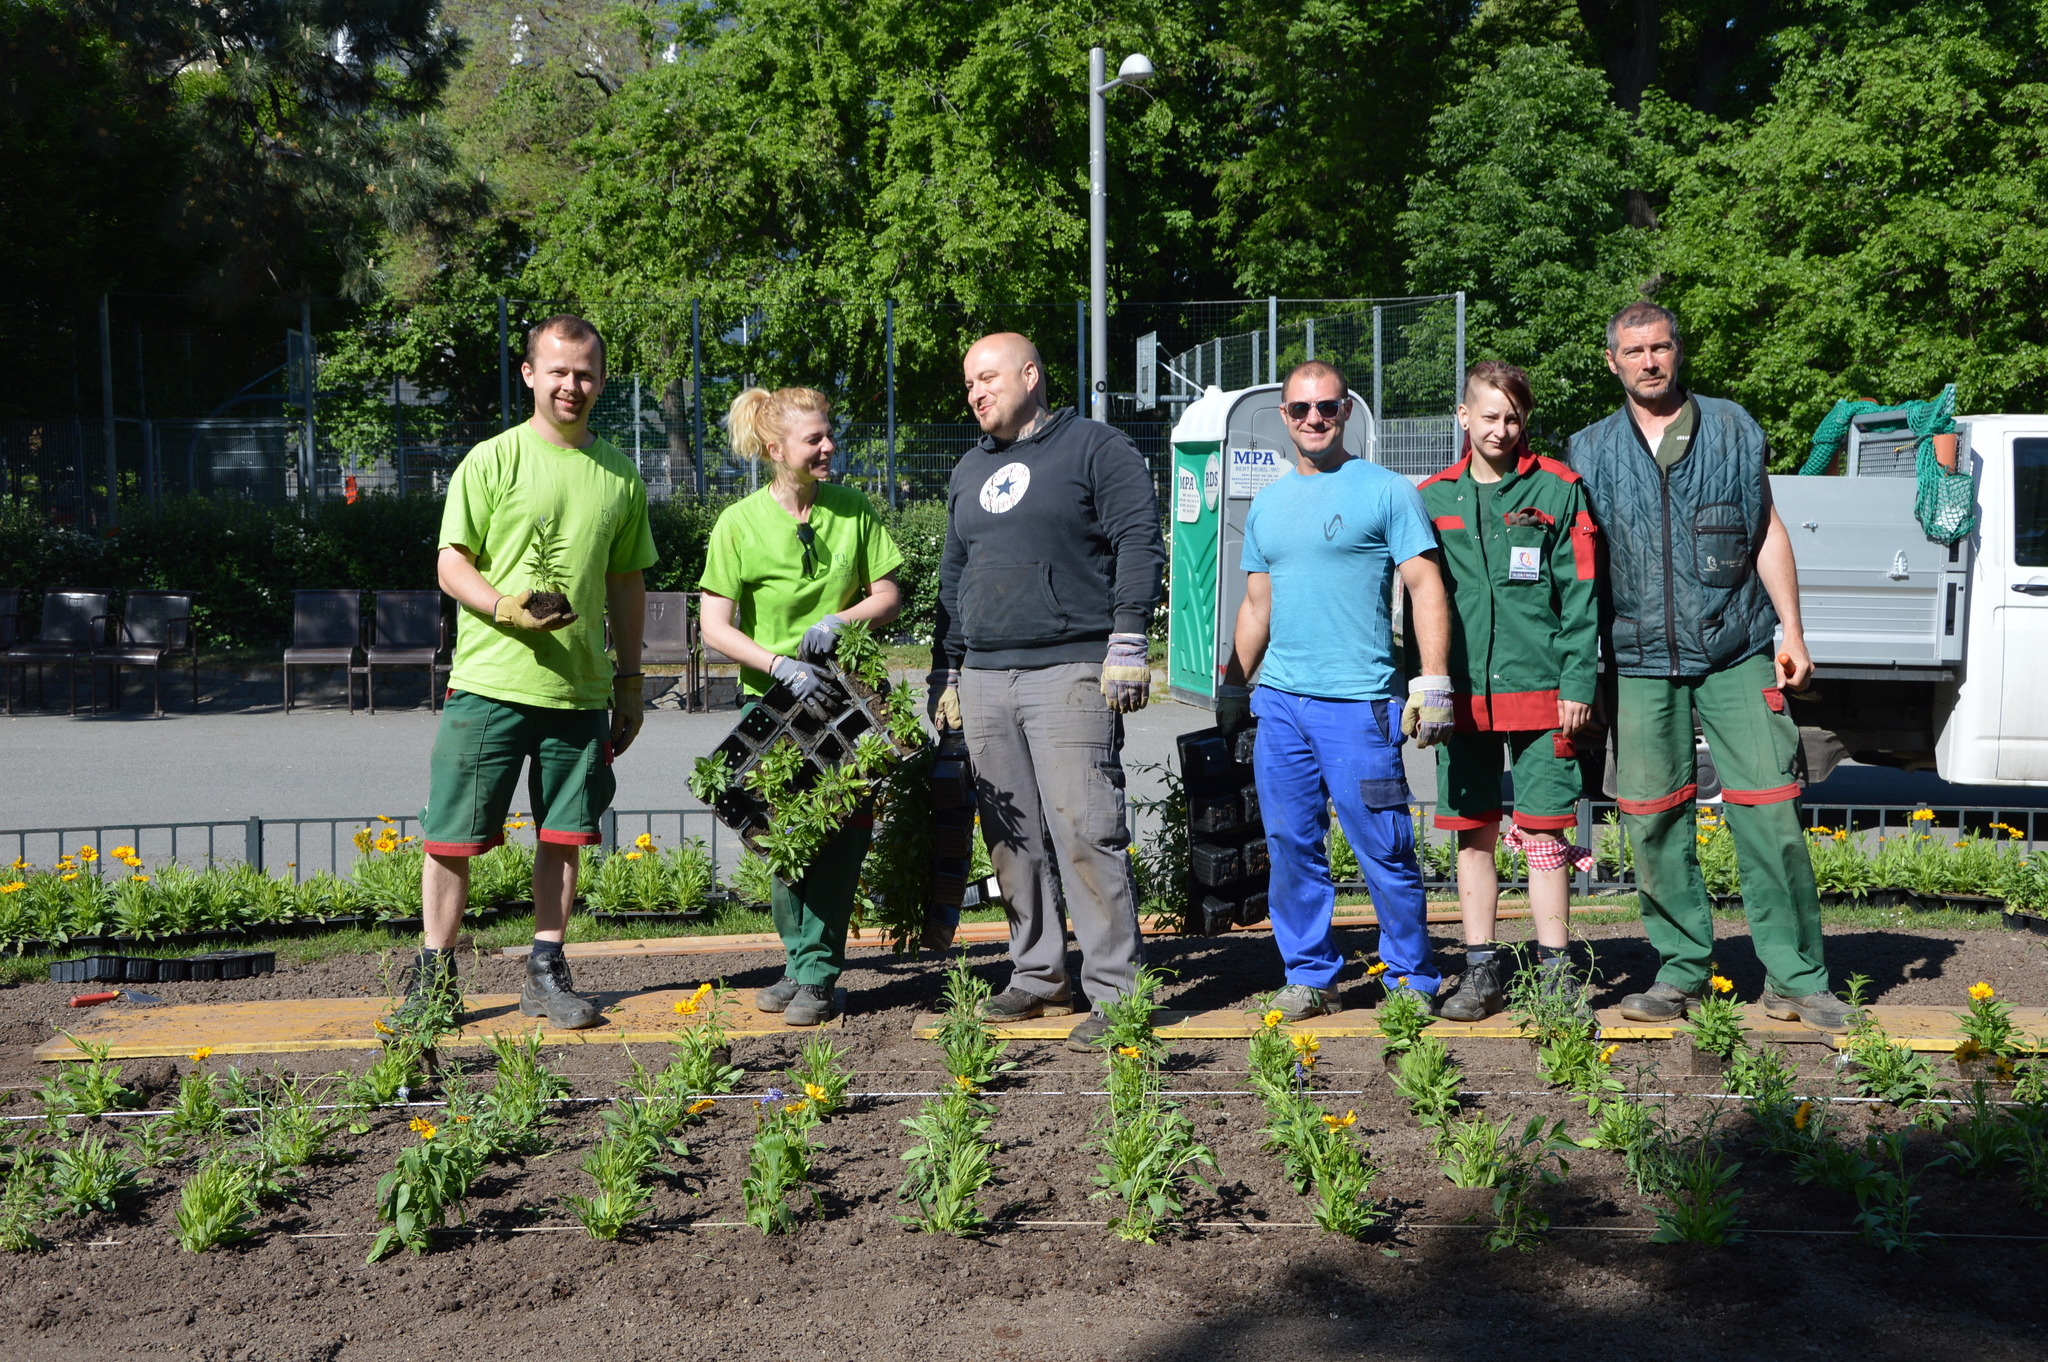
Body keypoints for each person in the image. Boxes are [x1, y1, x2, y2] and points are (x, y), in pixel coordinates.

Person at [1568, 301, 1853, 1031]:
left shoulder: (1731, 427)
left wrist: (1793, 630)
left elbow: (1765, 531)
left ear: (1677, 351)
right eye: (1634, 351)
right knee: (1653, 821)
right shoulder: (1588, 450)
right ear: (1613, 361)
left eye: (1660, 348)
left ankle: (1794, 977)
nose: (1649, 362)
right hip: (1637, 660)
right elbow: (1577, 571)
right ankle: (1681, 970)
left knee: (1771, 812)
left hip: (1736, 646)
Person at [392, 314, 657, 1030]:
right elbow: (452, 562)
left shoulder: (618, 474)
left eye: (587, 374)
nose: (573, 385)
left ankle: (546, 969)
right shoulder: (492, 460)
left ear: (601, 381)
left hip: (578, 690)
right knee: (452, 834)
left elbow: (628, 582)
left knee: (564, 833)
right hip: (489, 685)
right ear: (530, 374)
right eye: (560, 370)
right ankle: (434, 974)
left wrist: (630, 681)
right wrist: (505, 607)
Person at [929, 332, 1164, 1051]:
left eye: (989, 377)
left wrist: (1127, 641)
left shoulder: (1095, 448)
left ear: (1031, 374)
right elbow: (953, 571)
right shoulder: (970, 468)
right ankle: (1036, 974)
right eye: (970, 382)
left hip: (1072, 670)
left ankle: (1116, 992)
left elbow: (1138, 539)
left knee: (1085, 828)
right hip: (986, 675)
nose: (976, 392)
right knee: (1011, 839)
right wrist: (946, 668)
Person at [1216, 360, 1455, 1021]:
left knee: (1384, 846)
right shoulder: (1268, 503)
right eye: (1300, 409)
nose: (1314, 418)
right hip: (1283, 708)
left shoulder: (1386, 492)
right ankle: (1310, 976)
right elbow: (1256, 604)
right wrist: (1235, 686)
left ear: (1346, 410)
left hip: (1361, 708)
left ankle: (1410, 978)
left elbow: (1425, 585)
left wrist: (1432, 680)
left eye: (1327, 407)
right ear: (1284, 417)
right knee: (1292, 846)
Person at [697, 386, 905, 1026]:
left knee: (838, 843)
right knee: (781, 842)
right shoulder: (738, 525)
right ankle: (799, 961)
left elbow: (889, 594)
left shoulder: (852, 510)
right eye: (813, 439)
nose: (828, 447)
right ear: (775, 449)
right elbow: (715, 626)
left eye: (828, 435)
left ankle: (817, 973)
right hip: (776, 714)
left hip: (848, 710)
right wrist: (778, 664)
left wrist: (841, 621)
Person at [1418, 362, 1600, 1022]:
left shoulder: (1558, 490)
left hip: (1544, 691)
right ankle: (1483, 972)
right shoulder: (1432, 497)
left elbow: (1581, 594)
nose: (1501, 429)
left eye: (1513, 417)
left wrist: (1578, 680)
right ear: (1463, 418)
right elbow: (1416, 601)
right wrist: (1420, 686)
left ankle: (1555, 974)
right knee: (1474, 833)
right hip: (1461, 697)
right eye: (1489, 416)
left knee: (1547, 832)